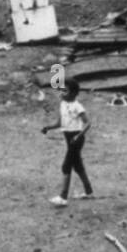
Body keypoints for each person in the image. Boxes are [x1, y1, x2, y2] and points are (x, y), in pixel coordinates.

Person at [41, 78, 93, 207]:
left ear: (74, 93)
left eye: (65, 91)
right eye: (61, 91)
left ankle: (63, 196)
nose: (62, 93)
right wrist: (48, 127)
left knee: (66, 166)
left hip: (76, 138)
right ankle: (88, 191)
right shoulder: (63, 104)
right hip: (68, 137)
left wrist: (78, 135)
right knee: (77, 166)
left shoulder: (77, 106)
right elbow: (60, 123)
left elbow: (88, 123)